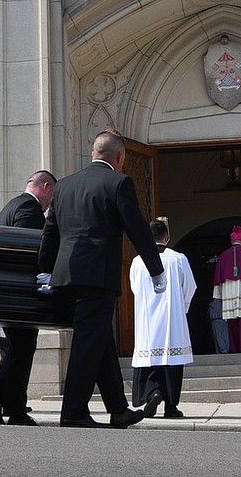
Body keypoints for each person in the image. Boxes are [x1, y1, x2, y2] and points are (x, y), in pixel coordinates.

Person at [37, 129, 166, 429]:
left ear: (94, 152)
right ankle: (73, 412)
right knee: (87, 342)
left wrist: (44, 270)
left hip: (64, 276)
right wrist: (156, 269)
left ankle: (118, 409)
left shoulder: (65, 186)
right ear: (119, 158)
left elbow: (50, 232)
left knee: (99, 340)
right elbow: (135, 227)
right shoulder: (119, 182)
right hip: (96, 276)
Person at [0, 169, 56, 427]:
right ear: (45, 187)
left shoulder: (11, 205)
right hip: (17, 297)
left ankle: (7, 405)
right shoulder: (28, 208)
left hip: (5, 295)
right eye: (51, 197)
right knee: (21, 350)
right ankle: (2, 404)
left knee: (16, 352)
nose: (49, 206)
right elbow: (29, 249)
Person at [130, 217, 196, 419]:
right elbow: (190, 287)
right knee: (171, 360)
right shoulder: (178, 259)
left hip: (147, 320)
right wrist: (181, 308)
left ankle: (153, 393)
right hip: (171, 320)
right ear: (166, 237)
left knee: (150, 358)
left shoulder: (137, 261)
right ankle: (170, 406)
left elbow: (134, 288)